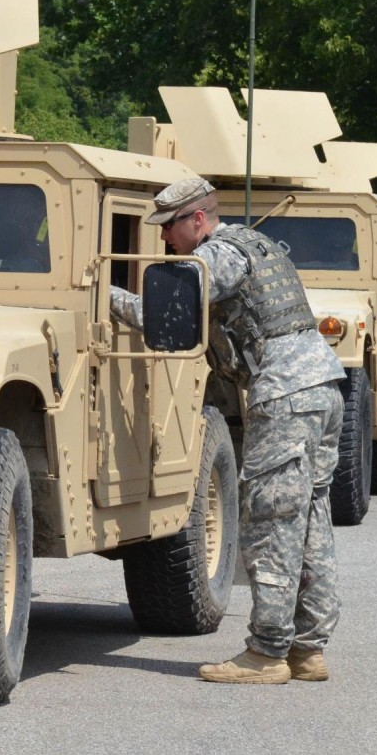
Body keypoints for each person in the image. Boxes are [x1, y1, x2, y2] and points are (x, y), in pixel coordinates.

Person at [110, 176, 345, 685]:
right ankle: (307, 650)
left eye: (169, 227)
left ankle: (266, 655)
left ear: (197, 219)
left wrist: (97, 292)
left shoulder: (217, 256)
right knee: (309, 518)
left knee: (272, 522)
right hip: (321, 384)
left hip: (285, 393)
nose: (164, 239)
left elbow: (163, 314)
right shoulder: (253, 242)